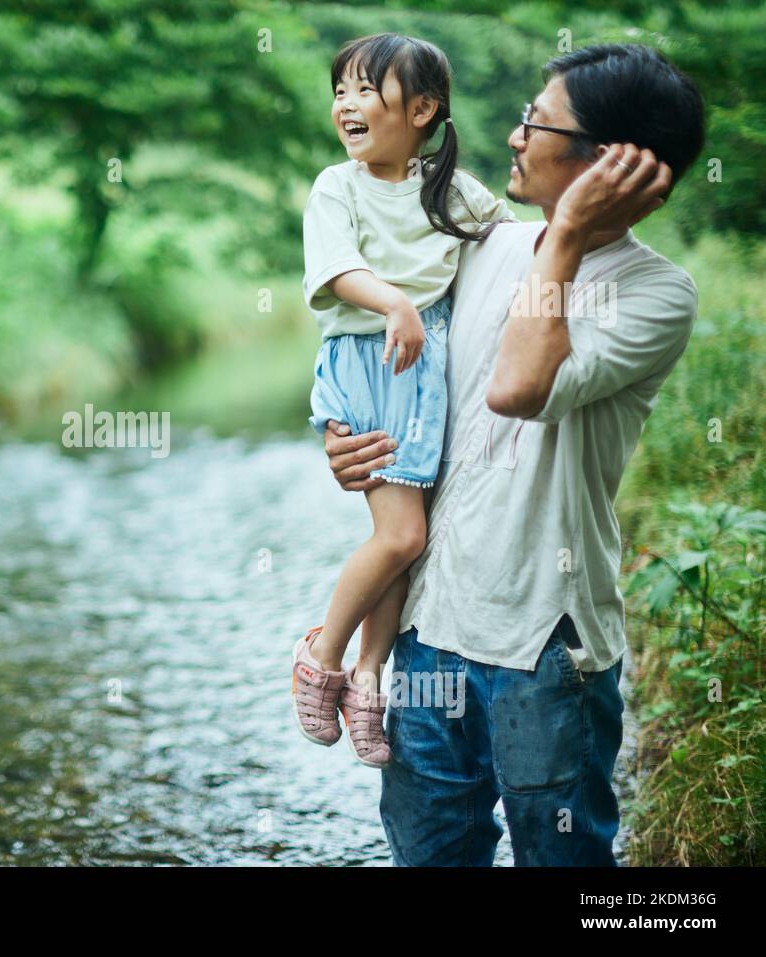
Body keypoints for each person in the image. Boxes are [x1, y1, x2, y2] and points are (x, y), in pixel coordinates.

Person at [322, 43, 705, 865]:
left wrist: (564, 235)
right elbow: (382, 347)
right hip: (428, 623)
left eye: (537, 120)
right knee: (429, 853)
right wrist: (341, 435)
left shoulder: (658, 294)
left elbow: (519, 388)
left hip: (546, 641)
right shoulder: (482, 242)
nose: (515, 135)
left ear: (608, 161)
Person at [291, 33, 513, 768]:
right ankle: (322, 655)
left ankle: (367, 677)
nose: (346, 105)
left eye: (366, 90)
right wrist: (397, 304)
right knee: (402, 537)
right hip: (369, 359)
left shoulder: (449, 189)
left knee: (405, 542)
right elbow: (335, 269)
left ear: (422, 109)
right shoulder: (337, 186)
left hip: (422, 368)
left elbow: (518, 242)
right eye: (341, 91)